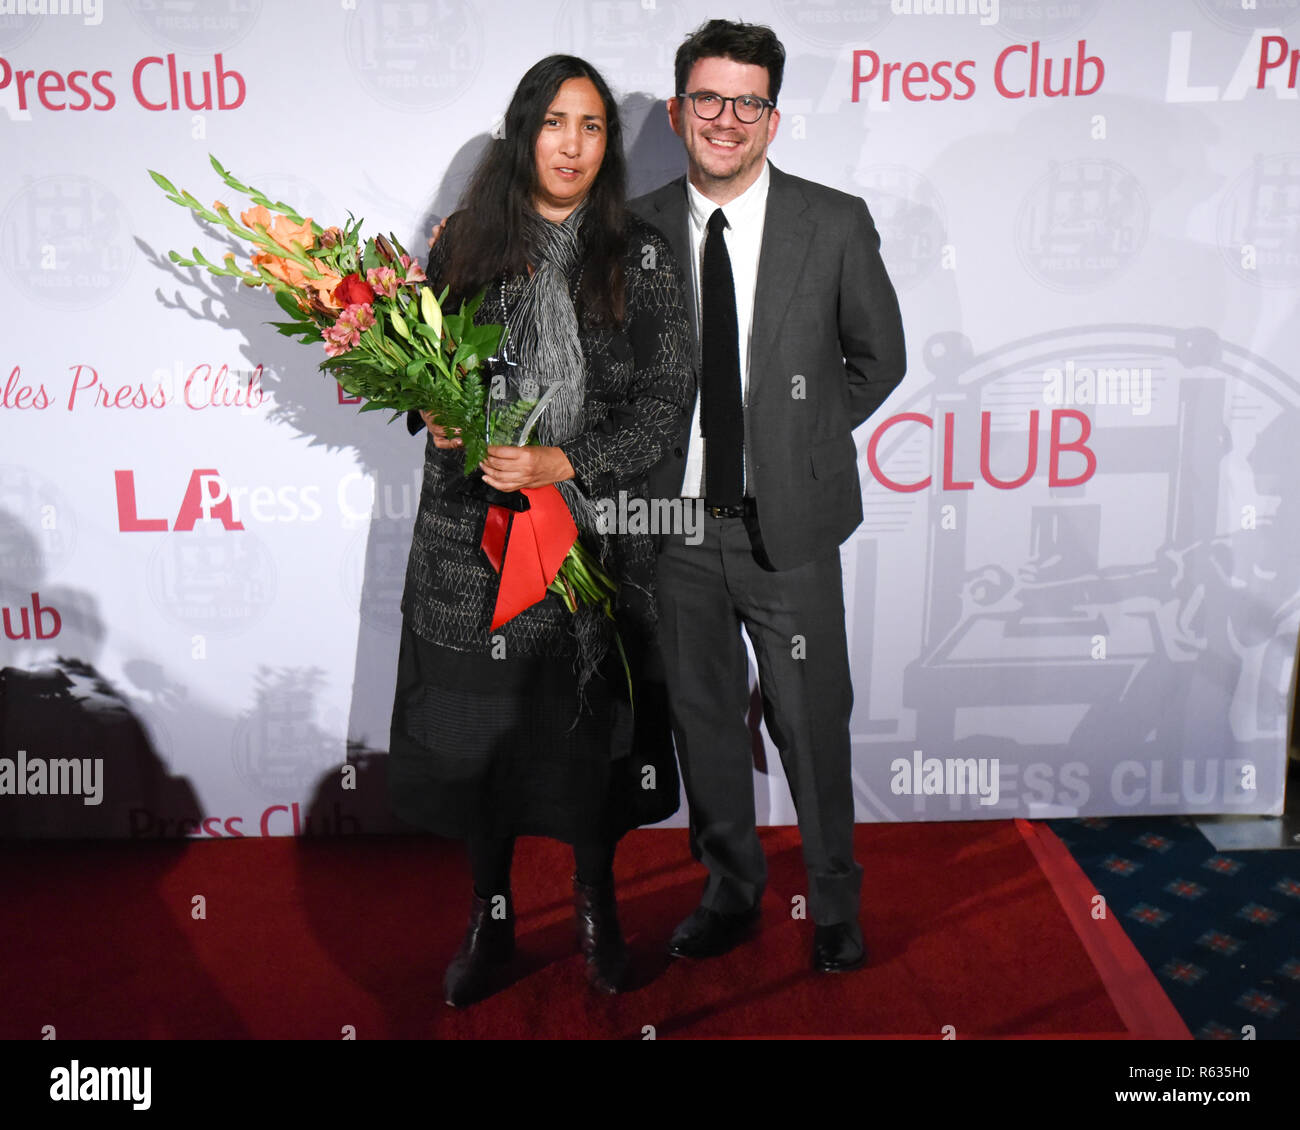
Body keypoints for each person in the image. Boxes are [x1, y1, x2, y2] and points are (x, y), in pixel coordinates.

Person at [389, 54, 693, 1007]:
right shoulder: (464, 244)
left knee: (584, 735)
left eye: (593, 126)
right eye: (556, 122)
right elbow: (426, 372)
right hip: (468, 542)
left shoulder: (639, 251)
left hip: (589, 540)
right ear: (525, 131)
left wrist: (562, 465)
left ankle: (596, 905)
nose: (572, 145)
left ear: (609, 143)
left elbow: (663, 399)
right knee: (481, 734)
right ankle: (490, 916)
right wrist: (435, 414)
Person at [629, 19, 906, 972]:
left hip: (786, 530)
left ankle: (835, 904)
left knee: (809, 718)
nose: (726, 119)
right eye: (708, 98)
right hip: (670, 529)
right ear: (677, 111)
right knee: (702, 720)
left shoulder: (832, 222)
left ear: (774, 120)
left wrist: (800, 447)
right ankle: (731, 888)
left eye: (749, 102)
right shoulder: (632, 230)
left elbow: (879, 360)